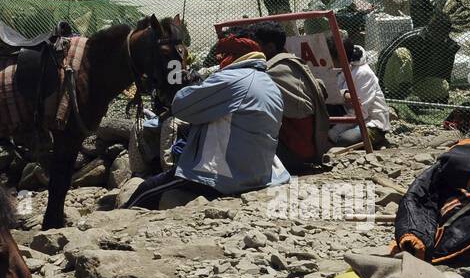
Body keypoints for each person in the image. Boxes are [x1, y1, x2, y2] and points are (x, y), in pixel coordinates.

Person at [125, 40, 286, 209]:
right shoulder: (269, 83)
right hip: (262, 172)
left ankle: (125, 214)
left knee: (146, 190)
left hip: (228, 176)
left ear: (231, 56)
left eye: (222, 56)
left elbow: (180, 106)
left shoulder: (232, 78)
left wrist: (192, 86)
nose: (219, 61)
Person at [252, 21, 330, 170]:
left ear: (269, 47)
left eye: (255, 45)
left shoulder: (271, 72)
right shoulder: (293, 63)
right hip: (309, 149)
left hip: (294, 152)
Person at [378, 12, 461, 103]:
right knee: (402, 53)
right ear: (430, 28)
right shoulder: (412, 37)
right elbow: (384, 55)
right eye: (436, 32)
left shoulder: (449, 46)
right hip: (395, 78)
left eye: (443, 33)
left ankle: (411, 96)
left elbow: (446, 73)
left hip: (418, 82)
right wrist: (379, 86)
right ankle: (404, 94)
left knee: (444, 87)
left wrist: (443, 96)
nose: (438, 37)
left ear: (447, 32)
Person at [330, 40, 391, 147]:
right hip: (348, 115)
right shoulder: (341, 70)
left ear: (339, 58)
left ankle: (377, 139)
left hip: (370, 122)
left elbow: (361, 112)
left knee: (343, 140)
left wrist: (333, 132)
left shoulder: (363, 73)